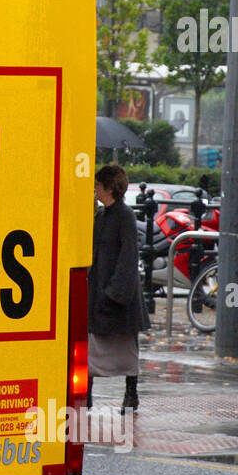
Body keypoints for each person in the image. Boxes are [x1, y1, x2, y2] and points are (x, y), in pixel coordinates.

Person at [89, 163, 150, 411]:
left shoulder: (124, 215)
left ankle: (131, 392)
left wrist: (114, 292)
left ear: (109, 188)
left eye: (98, 186)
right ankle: (87, 392)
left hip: (116, 291)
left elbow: (128, 255)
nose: (95, 190)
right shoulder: (101, 214)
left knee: (126, 344)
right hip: (101, 288)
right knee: (92, 343)